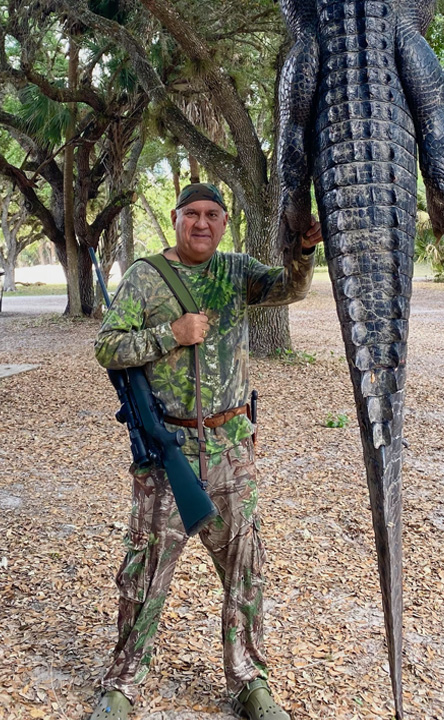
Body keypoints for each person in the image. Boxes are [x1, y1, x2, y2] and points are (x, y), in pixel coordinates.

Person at [91, 183, 322, 720]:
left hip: (232, 447)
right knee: (146, 569)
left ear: (224, 221)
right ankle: (121, 684)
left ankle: (249, 680)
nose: (201, 224)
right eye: (191, 214)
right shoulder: (146, 277)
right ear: (175, 218)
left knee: (245, 565)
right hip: (168, 447)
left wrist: (305, 251)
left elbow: (289, 287)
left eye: (212, 215)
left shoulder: (236, 271)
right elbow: (107, 345)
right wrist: (169, 333)